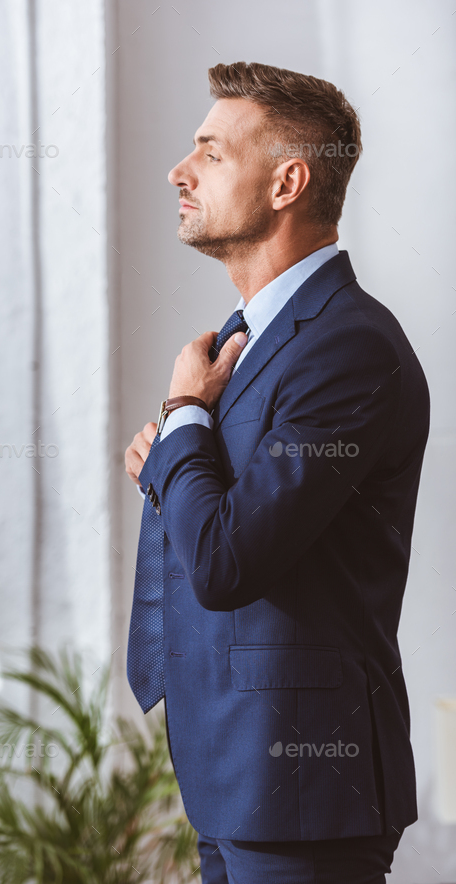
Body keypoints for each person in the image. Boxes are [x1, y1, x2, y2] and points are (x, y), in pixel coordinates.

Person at [124, 61, 429, 884]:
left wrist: (185, 418)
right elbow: (232, 519)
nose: (177, 172)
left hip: (301, 788)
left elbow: (228, 561)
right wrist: (174, 456)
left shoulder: (348, 346)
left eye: (211, 153)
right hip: (234, 774)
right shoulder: (251, 343)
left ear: (289, 181)